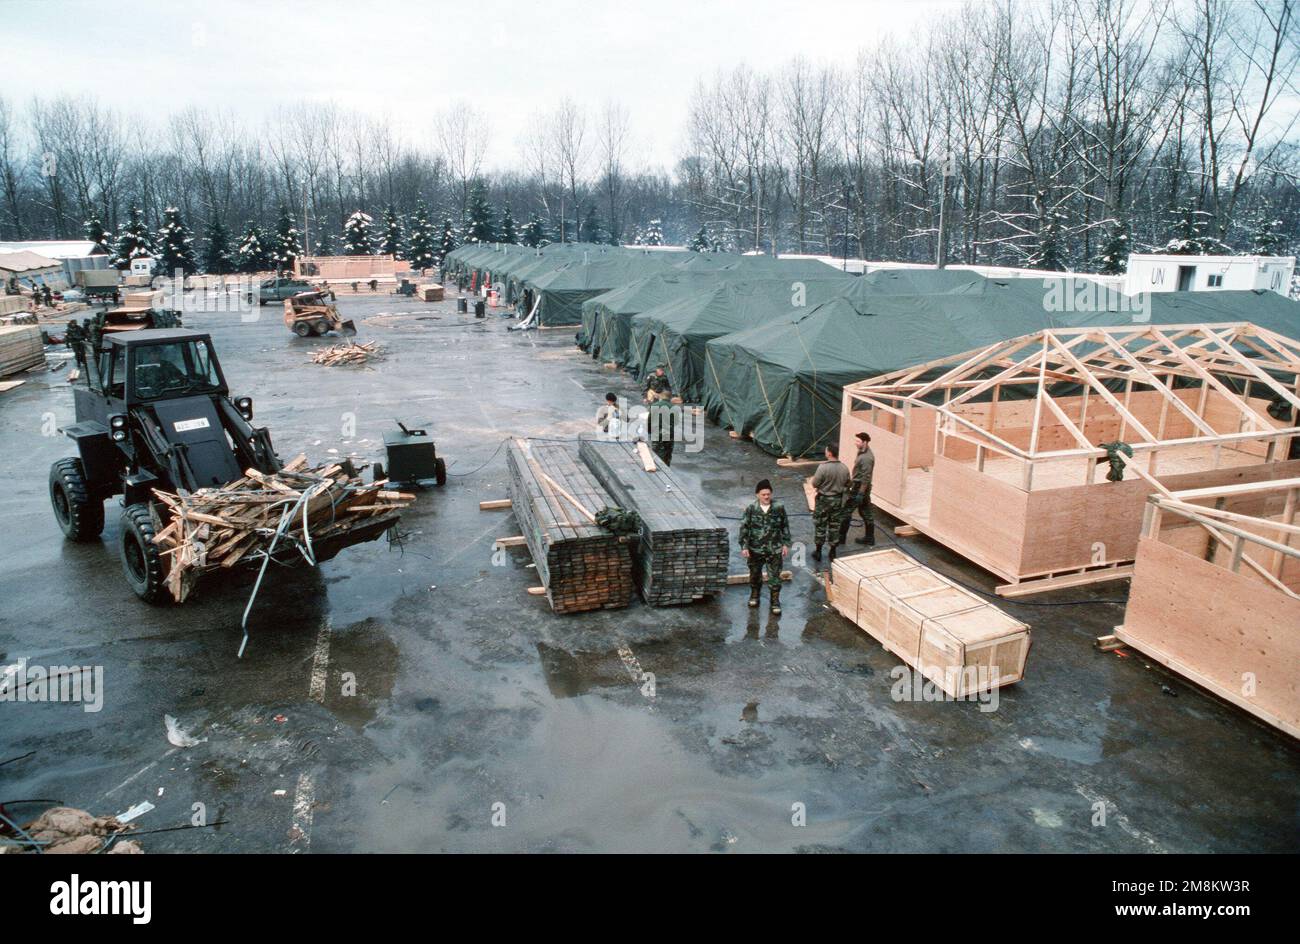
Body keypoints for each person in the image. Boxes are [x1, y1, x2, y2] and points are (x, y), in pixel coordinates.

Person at [738, 479, 790, 614]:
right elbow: (744, 528)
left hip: (774, 548)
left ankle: (775, 602)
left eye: (768, 494)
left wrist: (786, 544)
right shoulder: (751, 508)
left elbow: (785, 526)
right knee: (755, 575)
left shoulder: (778, 507)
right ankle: (755, 596)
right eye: (763, 494)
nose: (766, 497)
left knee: (775, 577)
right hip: (755, 549)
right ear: (757, 495)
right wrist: (744, 546)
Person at [810, 443, 850, 562]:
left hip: (823, 501)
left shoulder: (823, 467)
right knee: (835, 526)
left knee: (820, 525)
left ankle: (818, 551)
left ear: (829, 453)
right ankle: (833, 551)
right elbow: (848, 483)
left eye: (826, 450)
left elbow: (814, 484)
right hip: (837, 501)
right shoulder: (844, 468)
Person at [840, 431, 876, 546]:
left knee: (846, 512)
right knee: (865, 511)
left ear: (865, 442)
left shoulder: (866, 458)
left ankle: (841, 539)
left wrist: (860, 493)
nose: (856, 443)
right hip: (860, 487)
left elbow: (866, 477)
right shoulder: (862, 452)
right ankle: (869, 538)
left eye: (858, 441)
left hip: (859, 488)